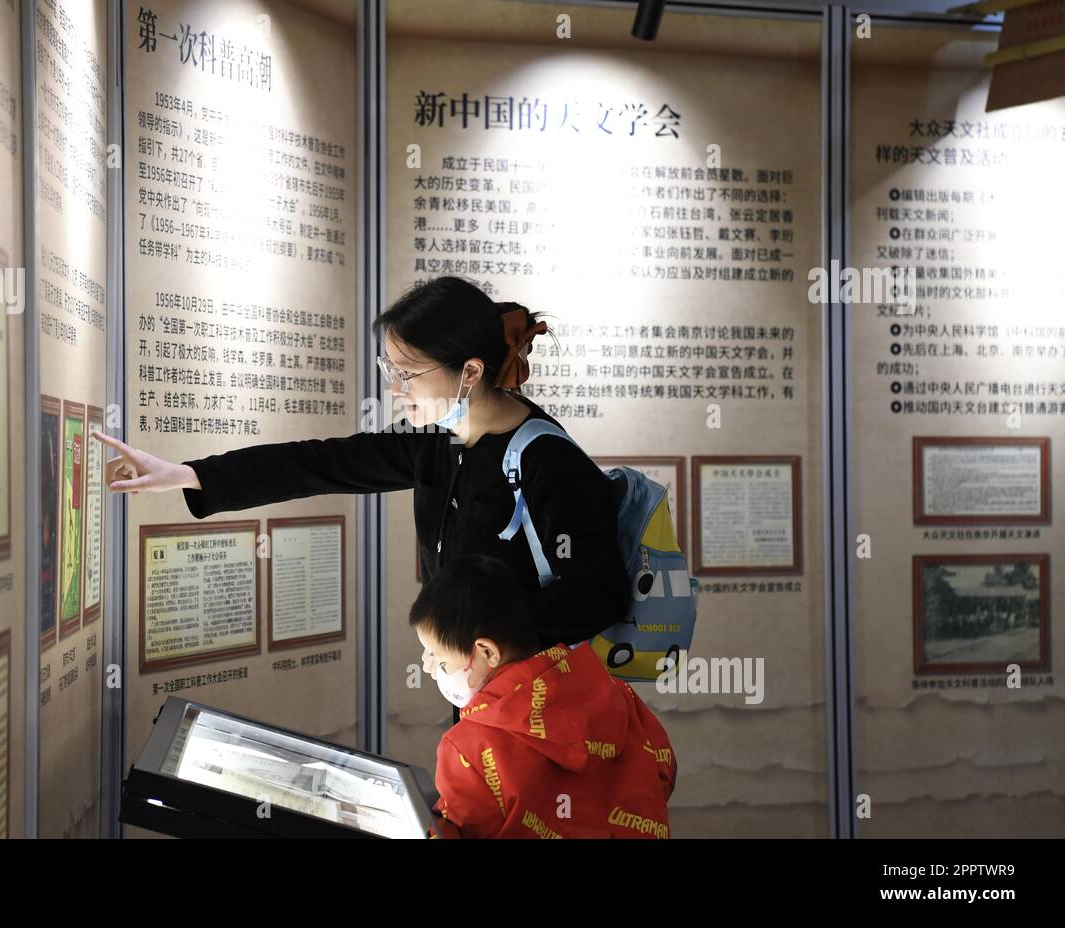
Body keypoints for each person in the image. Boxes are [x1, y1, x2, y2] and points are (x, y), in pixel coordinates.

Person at [93, 275, 631, 664]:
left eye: (408, 374)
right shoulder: (437, 443)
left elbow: (599, 595)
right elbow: (320, 463)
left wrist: (487, 643)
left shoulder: (549, 462)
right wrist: (187, 474)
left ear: (470, 371)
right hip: (478, 699)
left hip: (542, 712)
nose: (395, 389)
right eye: (390, 370)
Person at [413, 554, 676, 839]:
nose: (431, 669)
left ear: (488, 652)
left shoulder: (467, 747)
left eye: (441, 662)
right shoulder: (618, 694)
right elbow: (664, 773)